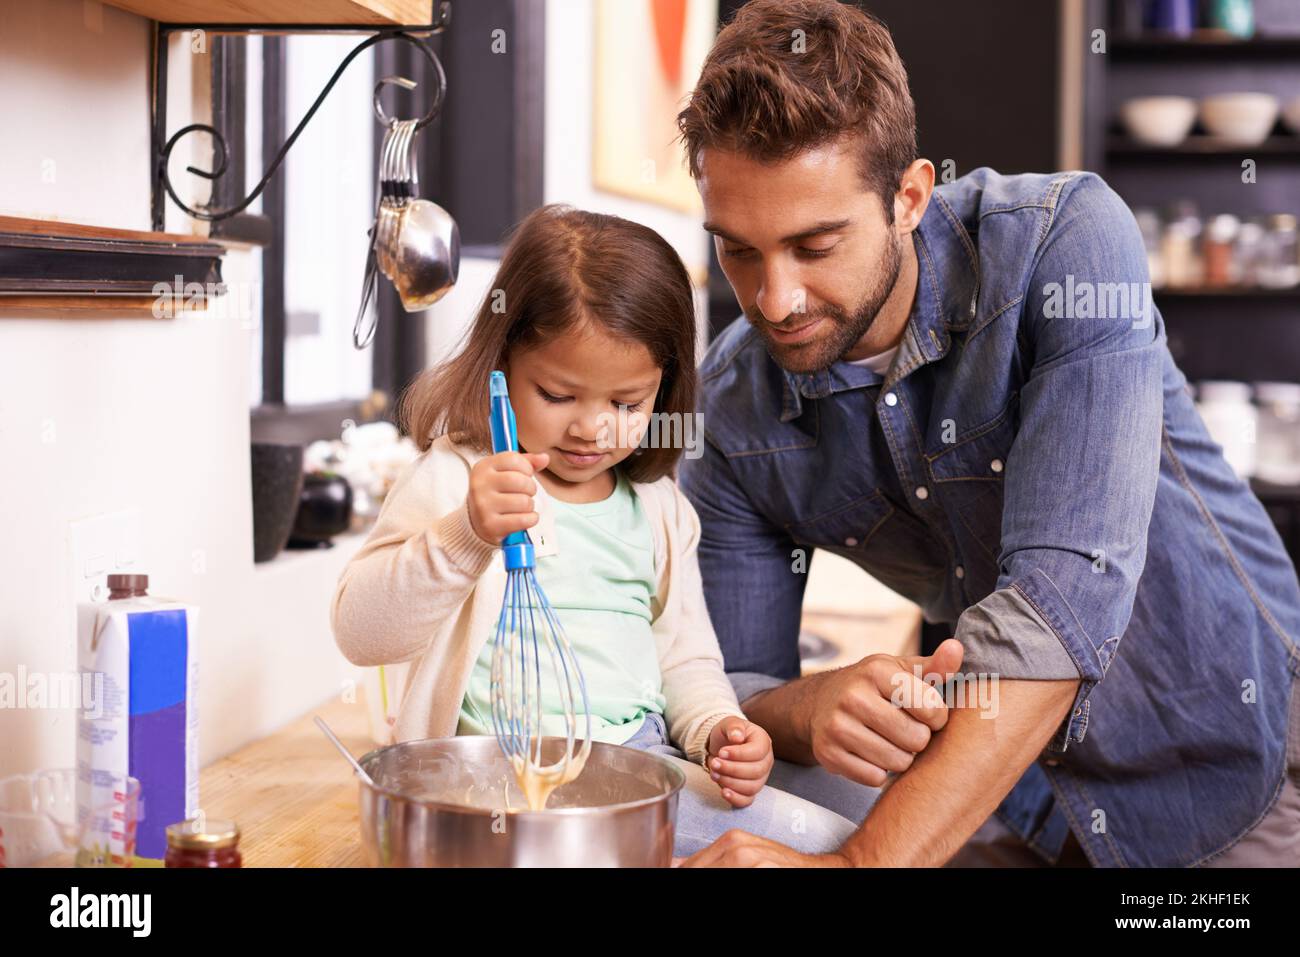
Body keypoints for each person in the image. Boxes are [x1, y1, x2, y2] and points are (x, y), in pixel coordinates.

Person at [675, 0, 1300, 867]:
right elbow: (727, 687)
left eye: (815, 246)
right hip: (1022, 795)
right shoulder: (731, 411)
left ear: (908, 196)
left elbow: (1060, 606)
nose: (774, 300)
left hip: (1238, 767)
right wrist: (807, 705)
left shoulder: (1066, 244)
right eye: (738, 251)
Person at [330, 204, 909, 856]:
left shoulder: (657, 509)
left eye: (626, 403)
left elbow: (684, 657)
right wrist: (465, 534)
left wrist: (717, 728)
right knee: (834, 846)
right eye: (557, 394)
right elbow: (361, 630)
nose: (592, 428)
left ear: (663, 393)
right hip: (499, 782)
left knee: (862, 817)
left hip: (639, 768)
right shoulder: (457, 480)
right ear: (502, 368)